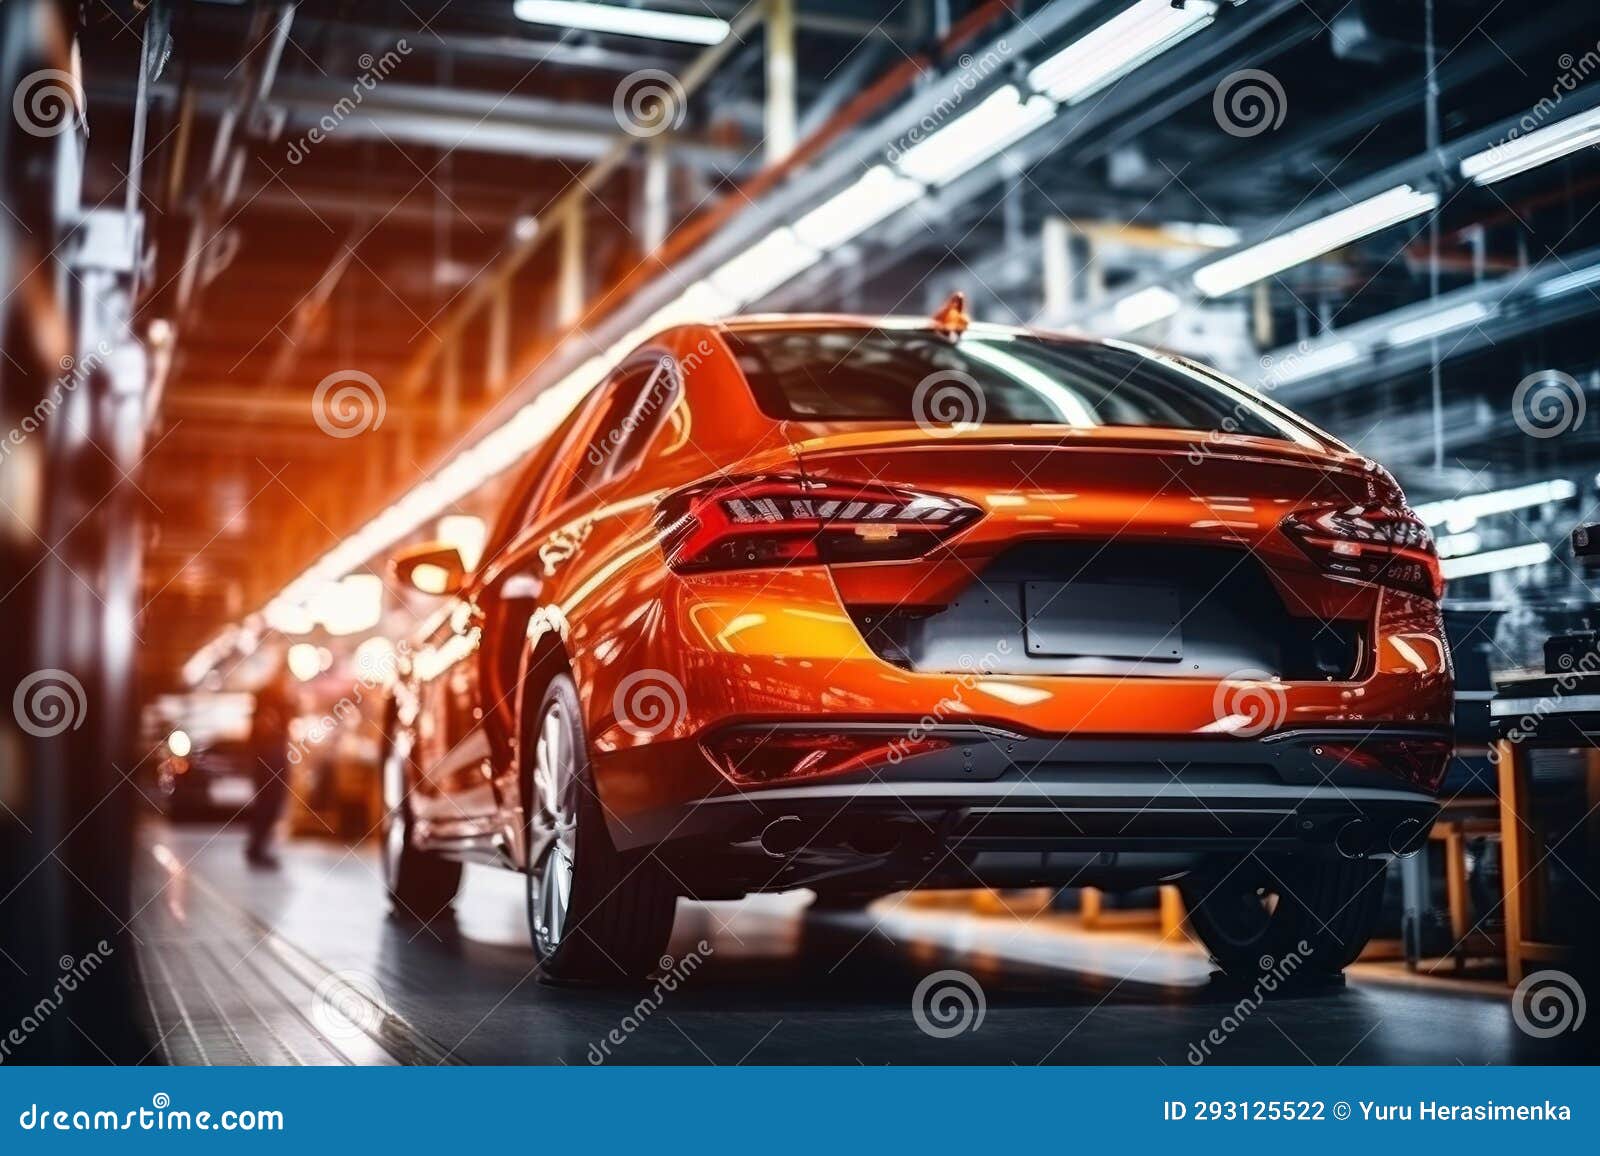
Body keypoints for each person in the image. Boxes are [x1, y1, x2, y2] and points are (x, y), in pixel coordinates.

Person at [245, 665, 296, 868]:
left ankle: (259, 847)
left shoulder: (280, 696)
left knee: (270, 805)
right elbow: (263, 726)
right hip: (269, 759)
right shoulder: (270, 696)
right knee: (268, 805)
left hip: (273, 757)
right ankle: (257, 848)